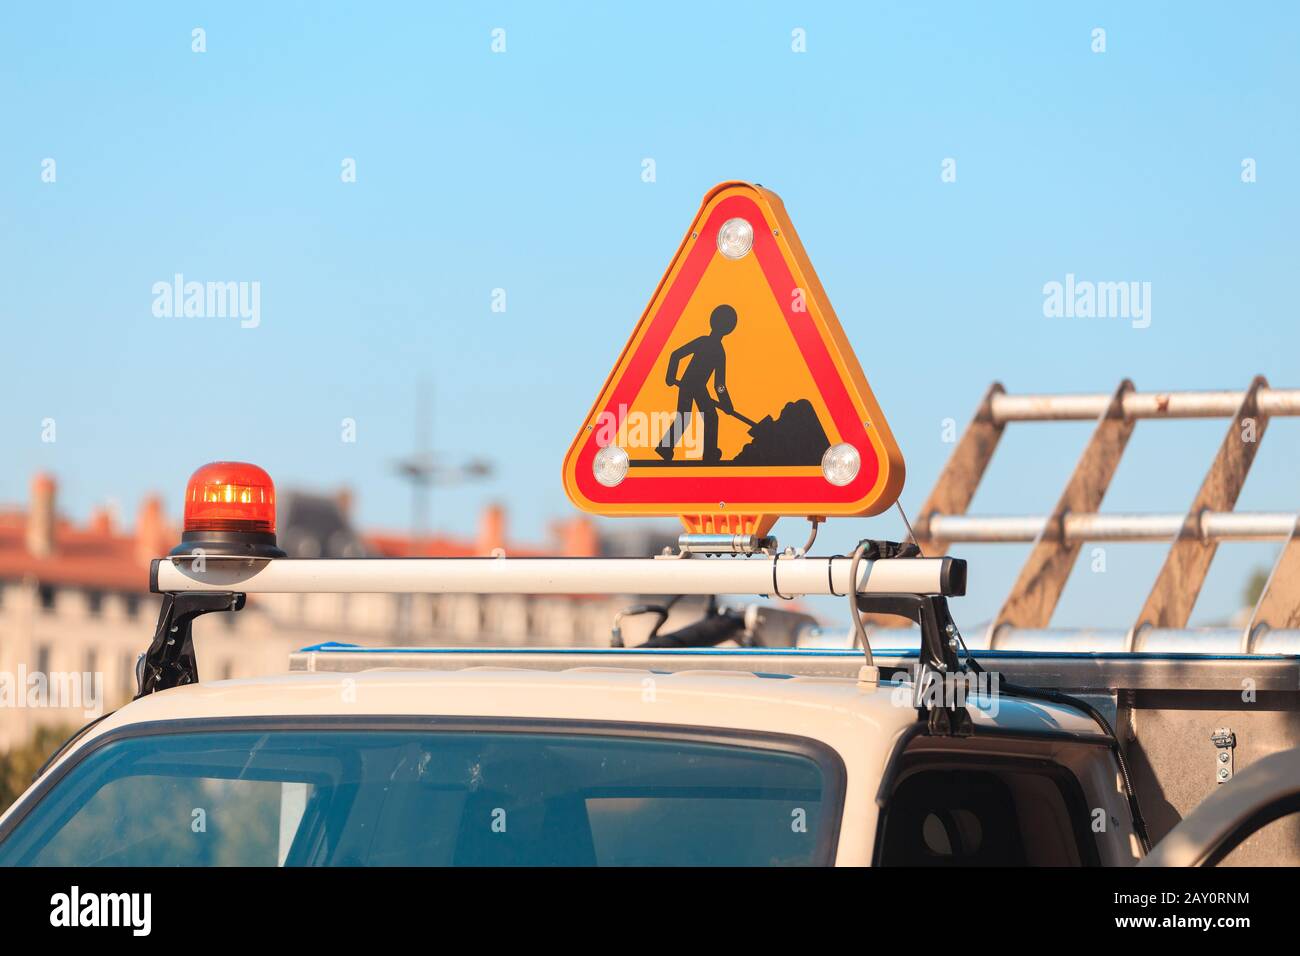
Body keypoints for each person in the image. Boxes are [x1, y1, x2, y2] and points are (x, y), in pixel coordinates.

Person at [655, 304, 737, 462]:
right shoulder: (717, 350)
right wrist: (670, 377)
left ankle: (668, 447)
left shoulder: (708, 344)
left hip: (695, 386)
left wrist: (726, 403)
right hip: (691, 385)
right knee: (704, 417)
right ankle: (707, 453)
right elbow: (719, 384)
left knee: (694, 417)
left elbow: (719, 384)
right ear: (729, 328)